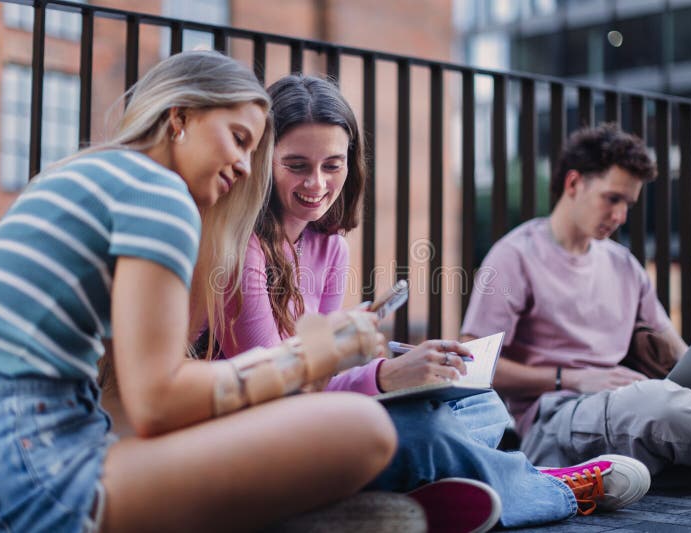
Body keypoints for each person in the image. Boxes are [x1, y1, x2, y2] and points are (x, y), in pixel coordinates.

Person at [0, 51, 402, 533]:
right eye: (238, 139)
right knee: (363, 431)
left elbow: (132, 390)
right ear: (179, 118)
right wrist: (310, 355)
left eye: (253, 153)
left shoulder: (86, 174)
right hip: (28, 455)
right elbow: (157, 402)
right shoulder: (161, 195)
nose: (244, 167)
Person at [212, 74, 653, 529]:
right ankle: (554, 487)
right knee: (426, 429)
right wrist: (383, 376)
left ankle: (429, 490)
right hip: (265, 433)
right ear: (264, 161)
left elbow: (322, 375)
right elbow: (272, 391)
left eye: (333, 164)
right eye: (297, 165)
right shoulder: (241, 247)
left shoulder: (329, 245)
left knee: (480, 405)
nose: (317, 184)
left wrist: (401, 371)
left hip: (316, 420)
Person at [461, 123, 691, 477]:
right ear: (574, 184)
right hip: (555, 420)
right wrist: (570, 378)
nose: (620, 216)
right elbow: (472, 364)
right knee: (654, 404)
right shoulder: (514, 256)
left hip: (627, 408)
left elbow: (677, 351)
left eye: (628, 204)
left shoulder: (623, 264)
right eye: (612, 198)